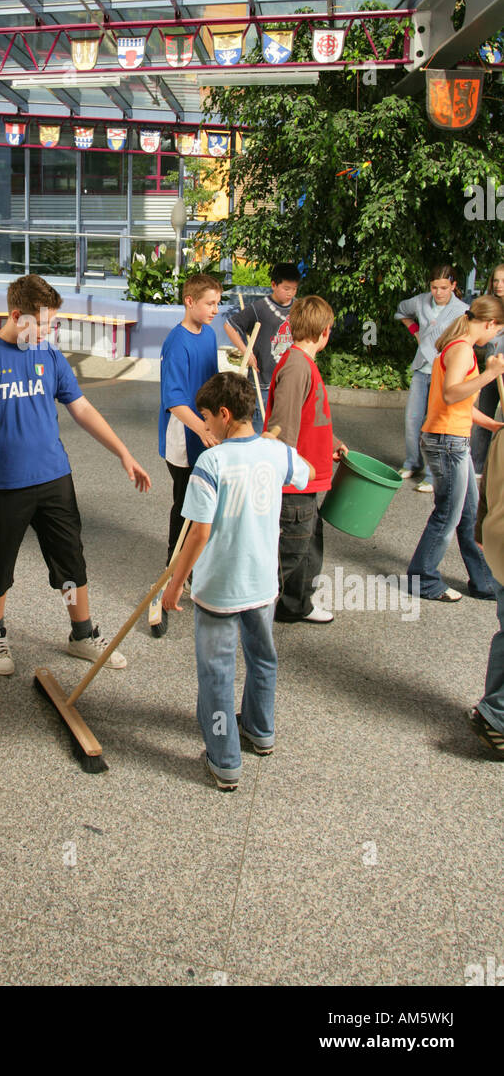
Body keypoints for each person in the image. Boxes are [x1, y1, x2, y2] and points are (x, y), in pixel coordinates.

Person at [0, 274, 151, 676]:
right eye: (41, 323)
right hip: (1, 483)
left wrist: (123, 452)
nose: (47, 331)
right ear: (15, 315)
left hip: (53, 476)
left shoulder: (49, 355)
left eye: (51, 323)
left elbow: (82, 409)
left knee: (69, 560)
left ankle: (81, 635)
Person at [162, 373, 312, 790]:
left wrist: (174, 587)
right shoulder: (276, 452)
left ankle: (225, 759)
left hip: (218, 590)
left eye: (206, 419)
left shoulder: (211, 463)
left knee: (216, 672)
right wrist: (278, 452)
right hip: (262, 584)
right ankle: (261, 732)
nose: (204, 427)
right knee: (263, 657)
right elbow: (306, 473)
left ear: (224, 416)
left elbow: (198, 532)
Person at [406, 296, 504, 602]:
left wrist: (495, 427)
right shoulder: (462, 349)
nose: (494, 338)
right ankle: (422, 579)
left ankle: (484, 581)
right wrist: (490, 375)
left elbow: (463, 404)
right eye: (497, 331)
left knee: (469, 514)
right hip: (446, 442)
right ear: (489, 324)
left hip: (451, 438)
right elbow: (451, 395)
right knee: (448, 513)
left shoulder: (461, 347)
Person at [264, 294, 348, 625]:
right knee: (289, 555)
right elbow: (282, 429)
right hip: (295, 484)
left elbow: (310, 417)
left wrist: (333, 442)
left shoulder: (301, 362)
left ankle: (296, 605)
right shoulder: (298, 366)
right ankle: (250, 610)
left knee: (307, 552)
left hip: (305, 480)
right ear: (325, 331)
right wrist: (293, 467)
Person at [150, 272, 222, 638]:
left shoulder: (208, 334)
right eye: (209, 303)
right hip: (185, 438)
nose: (215, 310)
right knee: (185, 508)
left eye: (217, 303)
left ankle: (190, 570)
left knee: (202, 507)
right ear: (189, 301)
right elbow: (174, 400)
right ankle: (170, 576)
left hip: (206, 433)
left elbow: (211, 383)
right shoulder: (175, 343)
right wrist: (204, 429)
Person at [395, 266, 468, 492]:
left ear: (454, 286)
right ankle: (412, 463)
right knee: (412, 419)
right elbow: (401, 311)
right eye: (434, 287)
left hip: (445, 373)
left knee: (435, 423)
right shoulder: (420, 301)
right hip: (421, 368)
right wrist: (415, 331)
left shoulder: (463, 310)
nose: (438, 292)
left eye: (444, 288)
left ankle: (433, 474)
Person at [223, 264, 300, 433]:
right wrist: (246, 352)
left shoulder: (298, 309)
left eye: (294, 289)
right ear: (273, 285)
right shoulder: (259, 308)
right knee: (259, 430)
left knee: (283, 432)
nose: (290, 293)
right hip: (262, 382)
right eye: (286, 288)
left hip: (287, 381)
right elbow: (230, 326)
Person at [470, 423, 504, 757]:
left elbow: (487, 483)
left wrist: (481, 526)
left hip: (497, 538)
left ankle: (494, 710)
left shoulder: (502, 432)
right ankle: (498, 716)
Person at [471, 262, 504, 477]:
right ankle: (476, 468)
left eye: (503, 280)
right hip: (492, 372)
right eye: (496, 280)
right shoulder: (490, 306)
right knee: (483, 418)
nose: (499, 284)